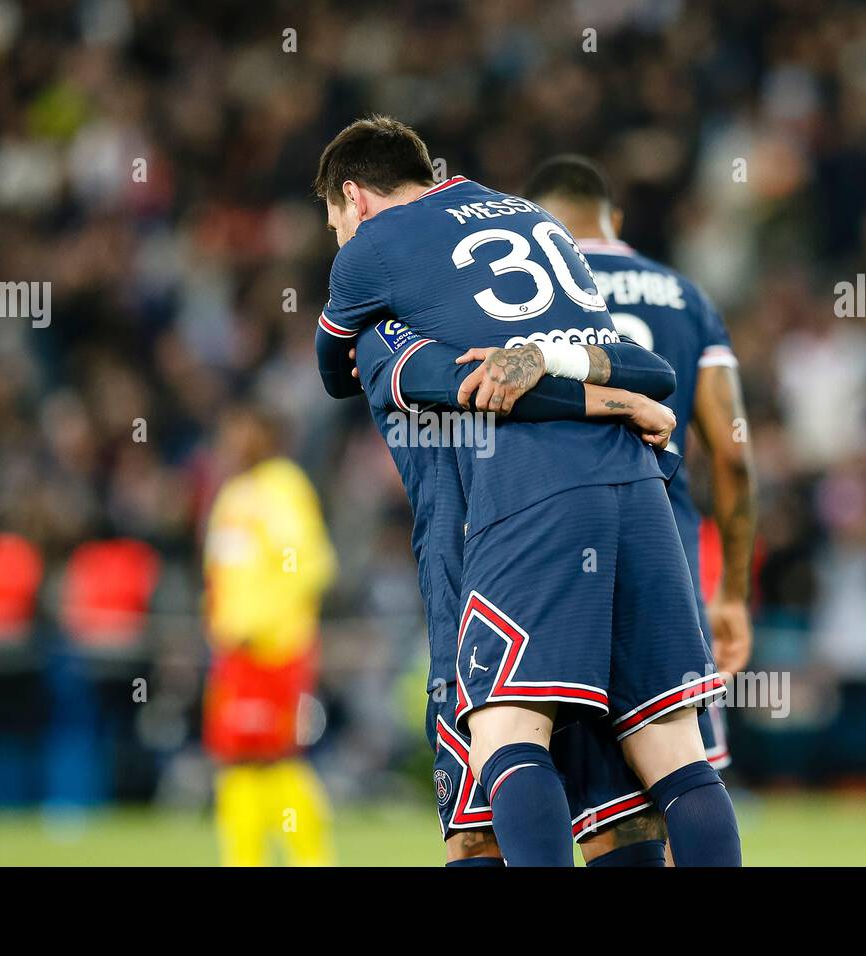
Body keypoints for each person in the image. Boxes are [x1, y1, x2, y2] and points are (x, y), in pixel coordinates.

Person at [314, 116, 740, 866]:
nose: (340, 245)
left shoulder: (377, 313)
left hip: (505, 535)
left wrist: (539, 369)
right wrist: (602, 394)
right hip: (635, 486)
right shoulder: (525, 218)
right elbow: (646, 374)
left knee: (502, 756)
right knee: (664, 760)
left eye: (334, 224)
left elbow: (442, 380)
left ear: (353, 199)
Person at [342, 317, 682, 866]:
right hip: (467, 596)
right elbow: (486, 387)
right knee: (478, 831)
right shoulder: (386, 331)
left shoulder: (510, 313)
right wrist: (620, 401)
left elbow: (648, 369)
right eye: (339, 221)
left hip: (539, 581)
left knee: (618, 819)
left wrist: (591, 384)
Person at [524, 155, 759, 794]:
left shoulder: (526, 297)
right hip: (665, 560)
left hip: (553, 564)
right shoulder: (686, 296)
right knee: (682, 776)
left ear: (536, 225)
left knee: (553, 782)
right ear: (615, 219)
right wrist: (731, 591)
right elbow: (733, 454)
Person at [201, 405, 336, 866]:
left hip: (276, 648)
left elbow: (312, 566)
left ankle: (311, 859)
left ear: (266, 435)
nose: (234, 441)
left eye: (244, 430)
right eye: (230, 431)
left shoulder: (283, 487)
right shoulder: (233, 494)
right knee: (234, 760)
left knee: (278, 758)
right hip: (234, 652)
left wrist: (256, 623)